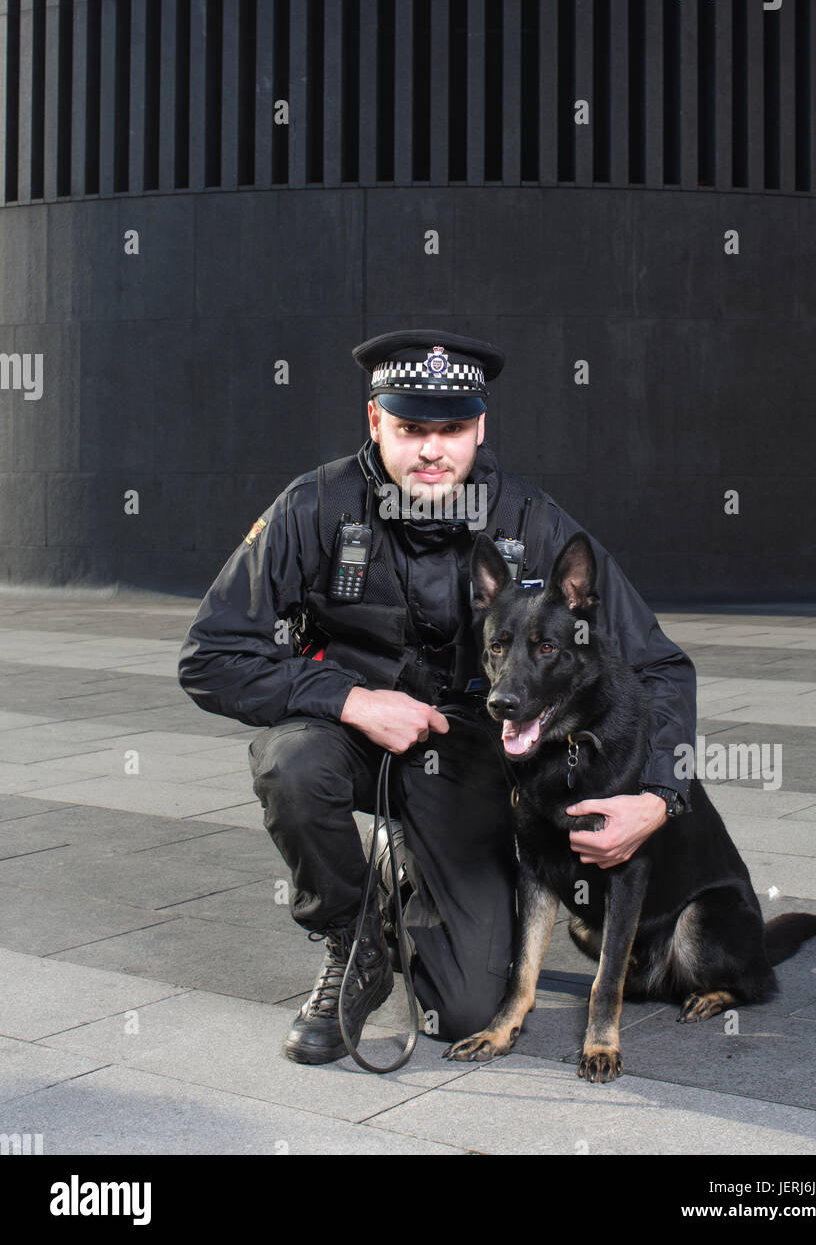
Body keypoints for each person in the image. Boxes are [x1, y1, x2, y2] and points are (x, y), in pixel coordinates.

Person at [177, 329, 696, 1065]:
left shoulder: (531, 521)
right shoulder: (314, 507)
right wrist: (348, 698)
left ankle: (404, 864)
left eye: (451, 429)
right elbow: (210, 657)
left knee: (465, 1011)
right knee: (291, 765)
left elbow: (661, 666)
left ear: (479, 427)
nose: (431, 449)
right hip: (345, 734)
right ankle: (349, 937)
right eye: (411, 427)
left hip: (471, 759)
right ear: (374, 422)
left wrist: (659, 796)